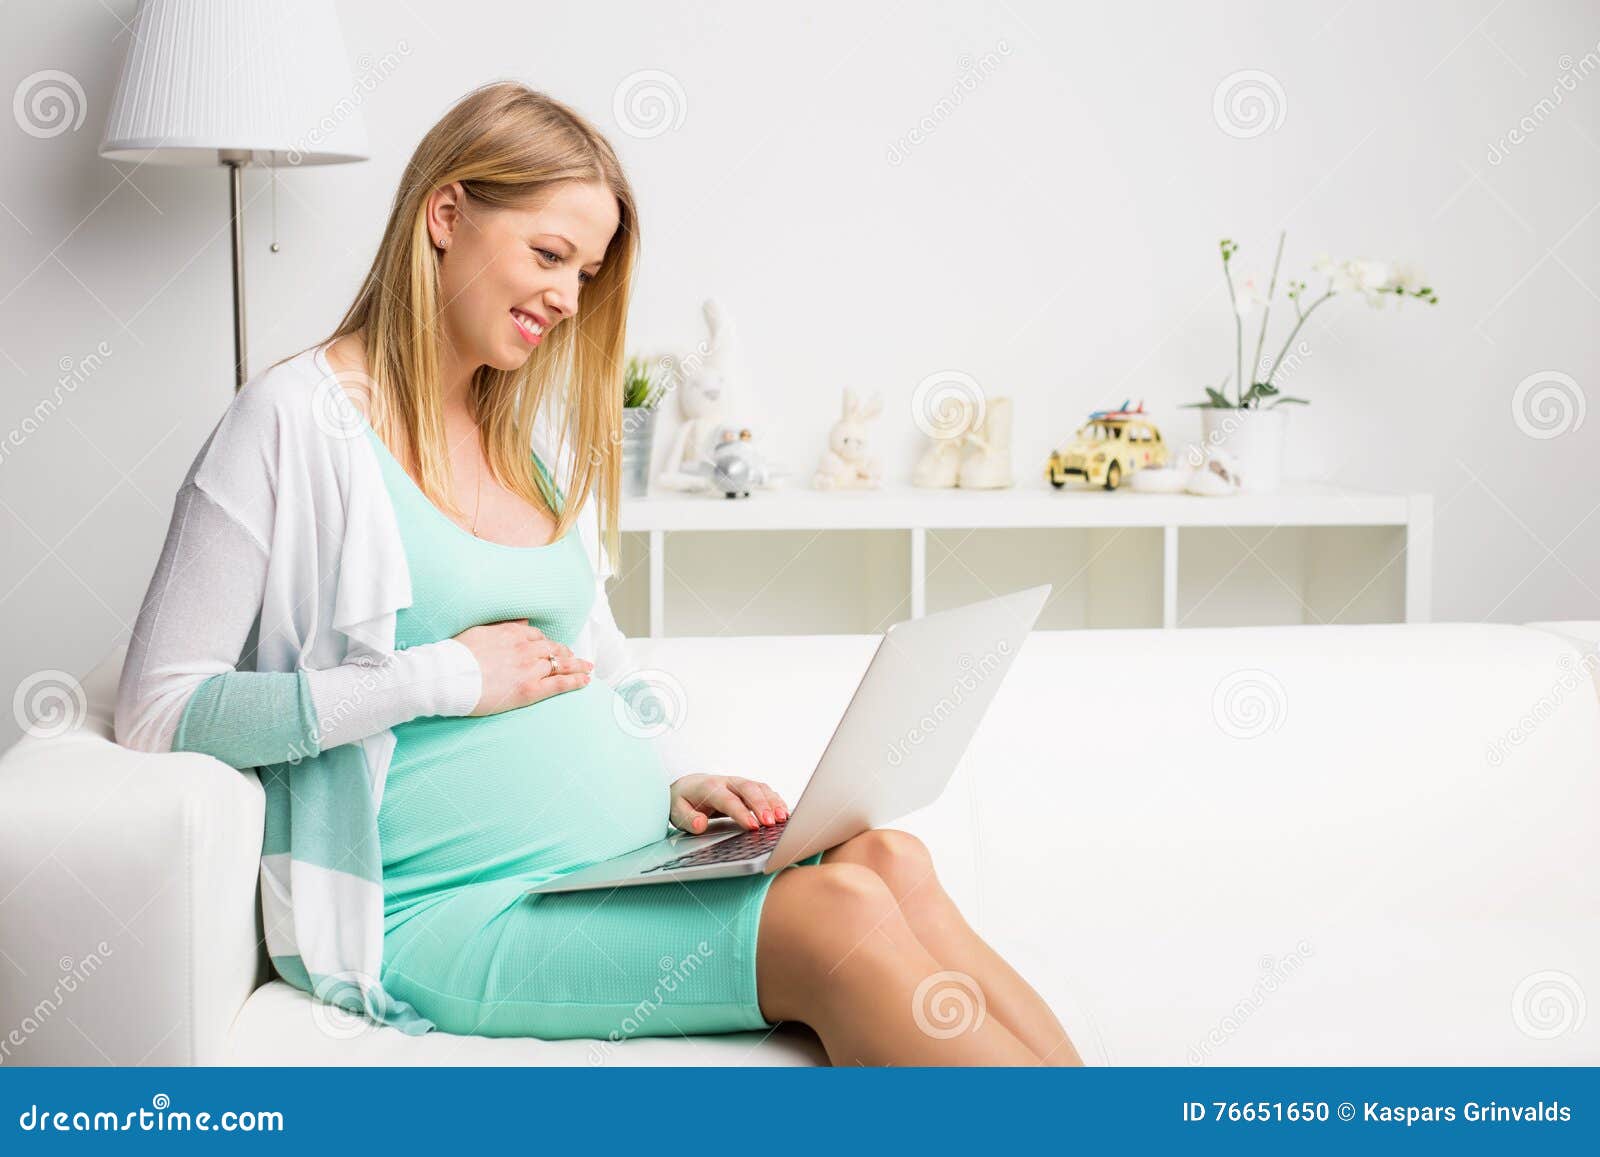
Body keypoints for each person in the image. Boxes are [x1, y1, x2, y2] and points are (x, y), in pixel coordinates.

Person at [114, 80, 1079, 1067]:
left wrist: (677, 784)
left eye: (585, 271)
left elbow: (592, 673)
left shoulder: (519, 442)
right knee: (837, 917)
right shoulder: (289, 420)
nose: (568, 300)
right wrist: (440, 678)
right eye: (548, 254)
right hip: (446, 909)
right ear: (445, 215)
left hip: (608, 864)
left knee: (887, 857)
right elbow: (159, 709)